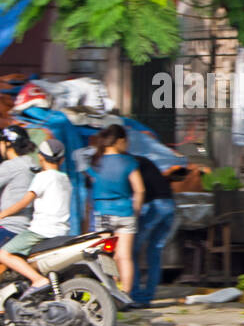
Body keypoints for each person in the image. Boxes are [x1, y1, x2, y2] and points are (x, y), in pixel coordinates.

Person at [0, 138, 73, 296]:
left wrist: (2, 214)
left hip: (40, 231)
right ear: (62, 159)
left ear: (40, 156)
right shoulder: (65, 178)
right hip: (62, 232)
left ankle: (37, 280)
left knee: (3, 254)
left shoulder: (42, 177)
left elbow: (24, 203)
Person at [84, 124, 144, 299]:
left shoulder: (95, 163)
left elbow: (91, 192)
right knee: (124, 256)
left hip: (103, 214)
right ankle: (125, 294)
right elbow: (139, 190)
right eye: (126, 142)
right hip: (126, 213)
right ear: (119, 141)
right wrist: (136, 210)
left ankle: (108, 294)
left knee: (104, 255)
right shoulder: (129, 162)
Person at [129, 153, 179, 308]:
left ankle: (135, 295)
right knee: (155, 251)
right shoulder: (145, 161)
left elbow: (138, 190)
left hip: (154, 206)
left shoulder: (129, 164)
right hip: (169, 205)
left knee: (131, 251)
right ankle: (148, 295)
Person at [0, 125, 37, 249]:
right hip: (27, 228)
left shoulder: (10, 166)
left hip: (9, 226)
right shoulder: (32, 164)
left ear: (8, 143)